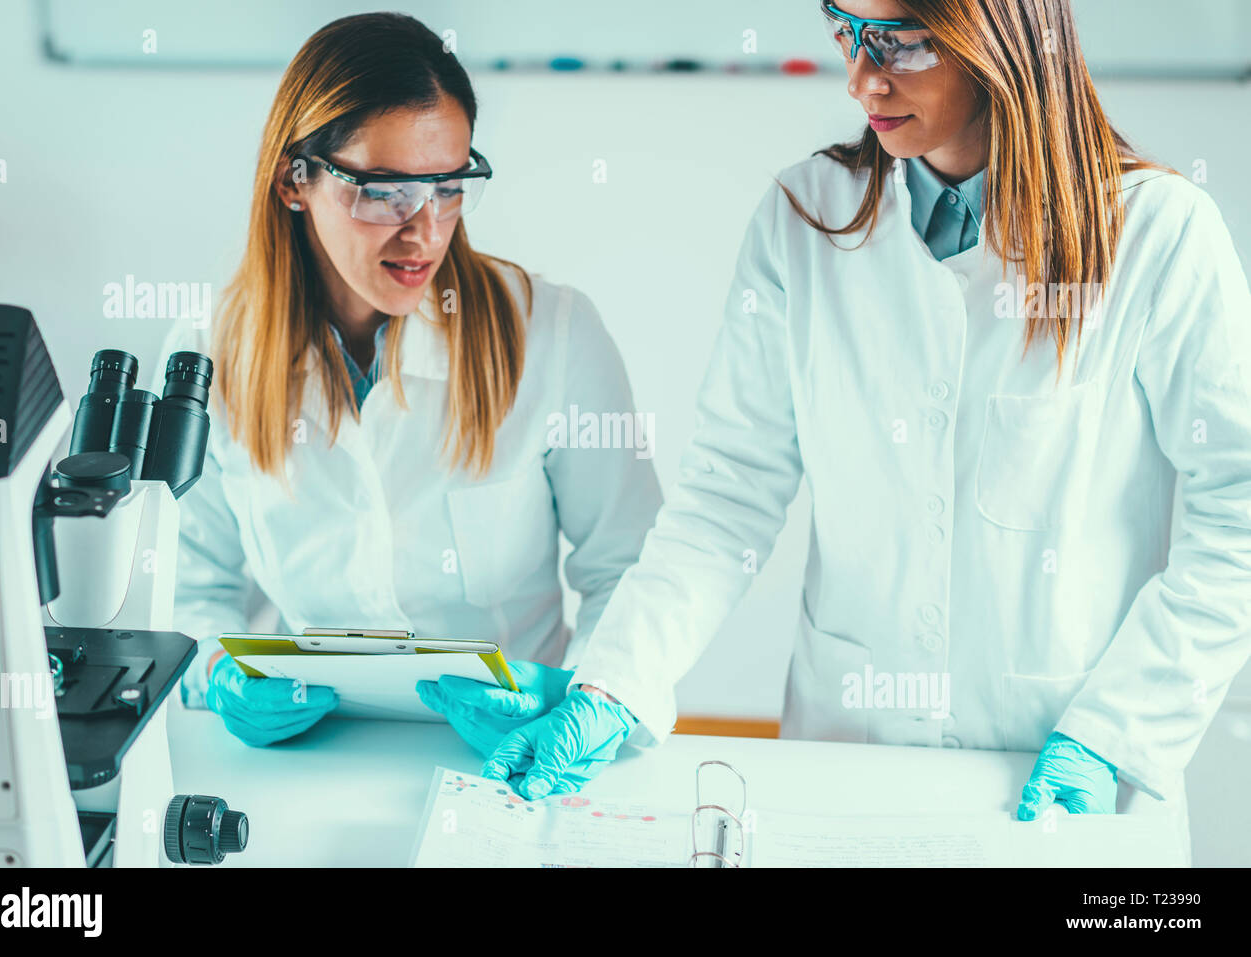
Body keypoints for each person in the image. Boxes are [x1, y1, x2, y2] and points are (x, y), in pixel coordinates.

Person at [437, 0, 1251, 845]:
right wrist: (614, 683)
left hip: (1066, 773)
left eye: (898, 40)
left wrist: (1112, 732)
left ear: (1001, 29)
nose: (862, 77)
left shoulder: (1160, 234)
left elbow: (1240, 517)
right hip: (850, 762)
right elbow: (727, 498)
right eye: (845, 32)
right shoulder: (805, 216)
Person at [158, 12, 661, 747]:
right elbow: (188, 585)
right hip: (309, 753)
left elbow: (629, 569)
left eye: (449, 185)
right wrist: (212, 670)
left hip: (511, 755)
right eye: (384, 189)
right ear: (294, 181)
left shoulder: (552, 335)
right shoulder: (209, 353)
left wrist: (594, 697)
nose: (424, 230)